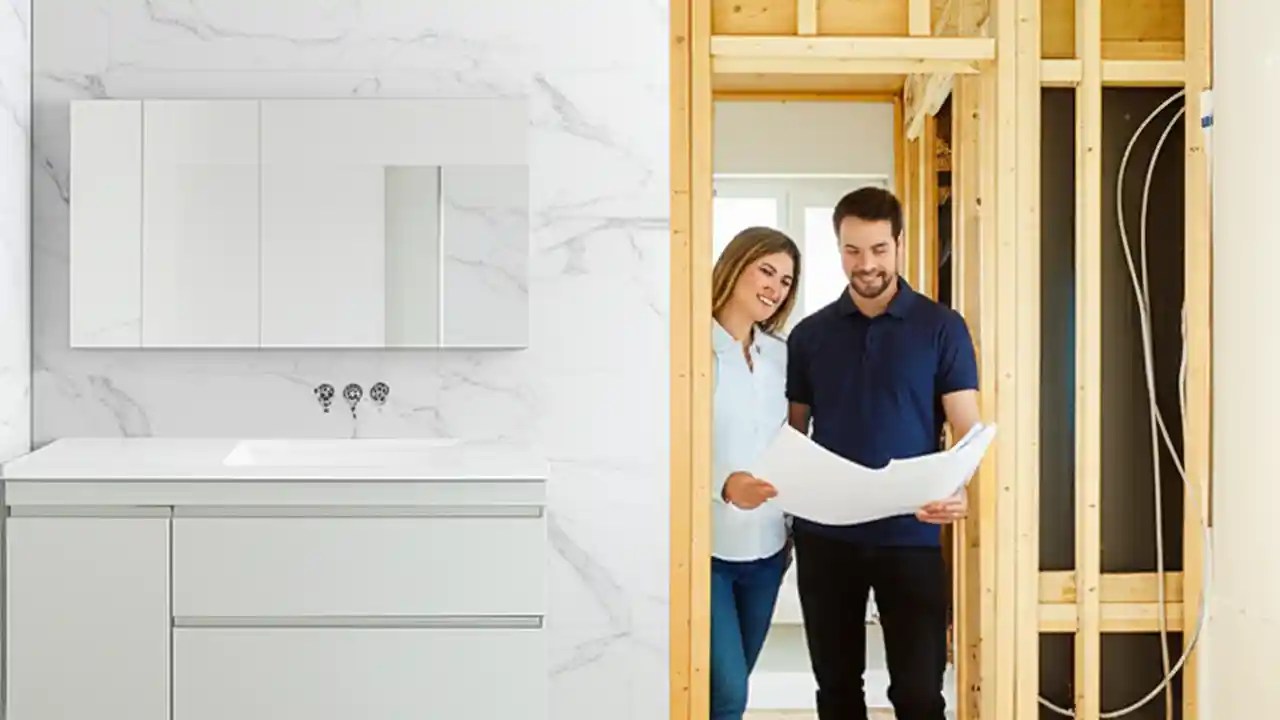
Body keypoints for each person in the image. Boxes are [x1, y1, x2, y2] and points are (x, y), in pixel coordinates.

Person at [785, 187, 980, 720]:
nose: (865, 264)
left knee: (919, 696)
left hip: (911, 536)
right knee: (838, 693)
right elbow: (792, 437)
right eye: (852, 250)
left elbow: (966, 427)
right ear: (838, 248)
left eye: (877, 249)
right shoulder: (809, 336)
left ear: (898, 243)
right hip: (826, 539)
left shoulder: (942, 328)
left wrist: (959, 487)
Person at [709, 226, 803, 720]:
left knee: (732, 686)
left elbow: (795, 439)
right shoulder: (688, 351)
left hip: (768, 552)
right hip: (706, 552)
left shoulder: (781, 357)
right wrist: (723, 483)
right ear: (735, 265)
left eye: (786, 281)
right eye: (766, 270)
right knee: (726, 694)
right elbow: (667, 438)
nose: (775, 287)